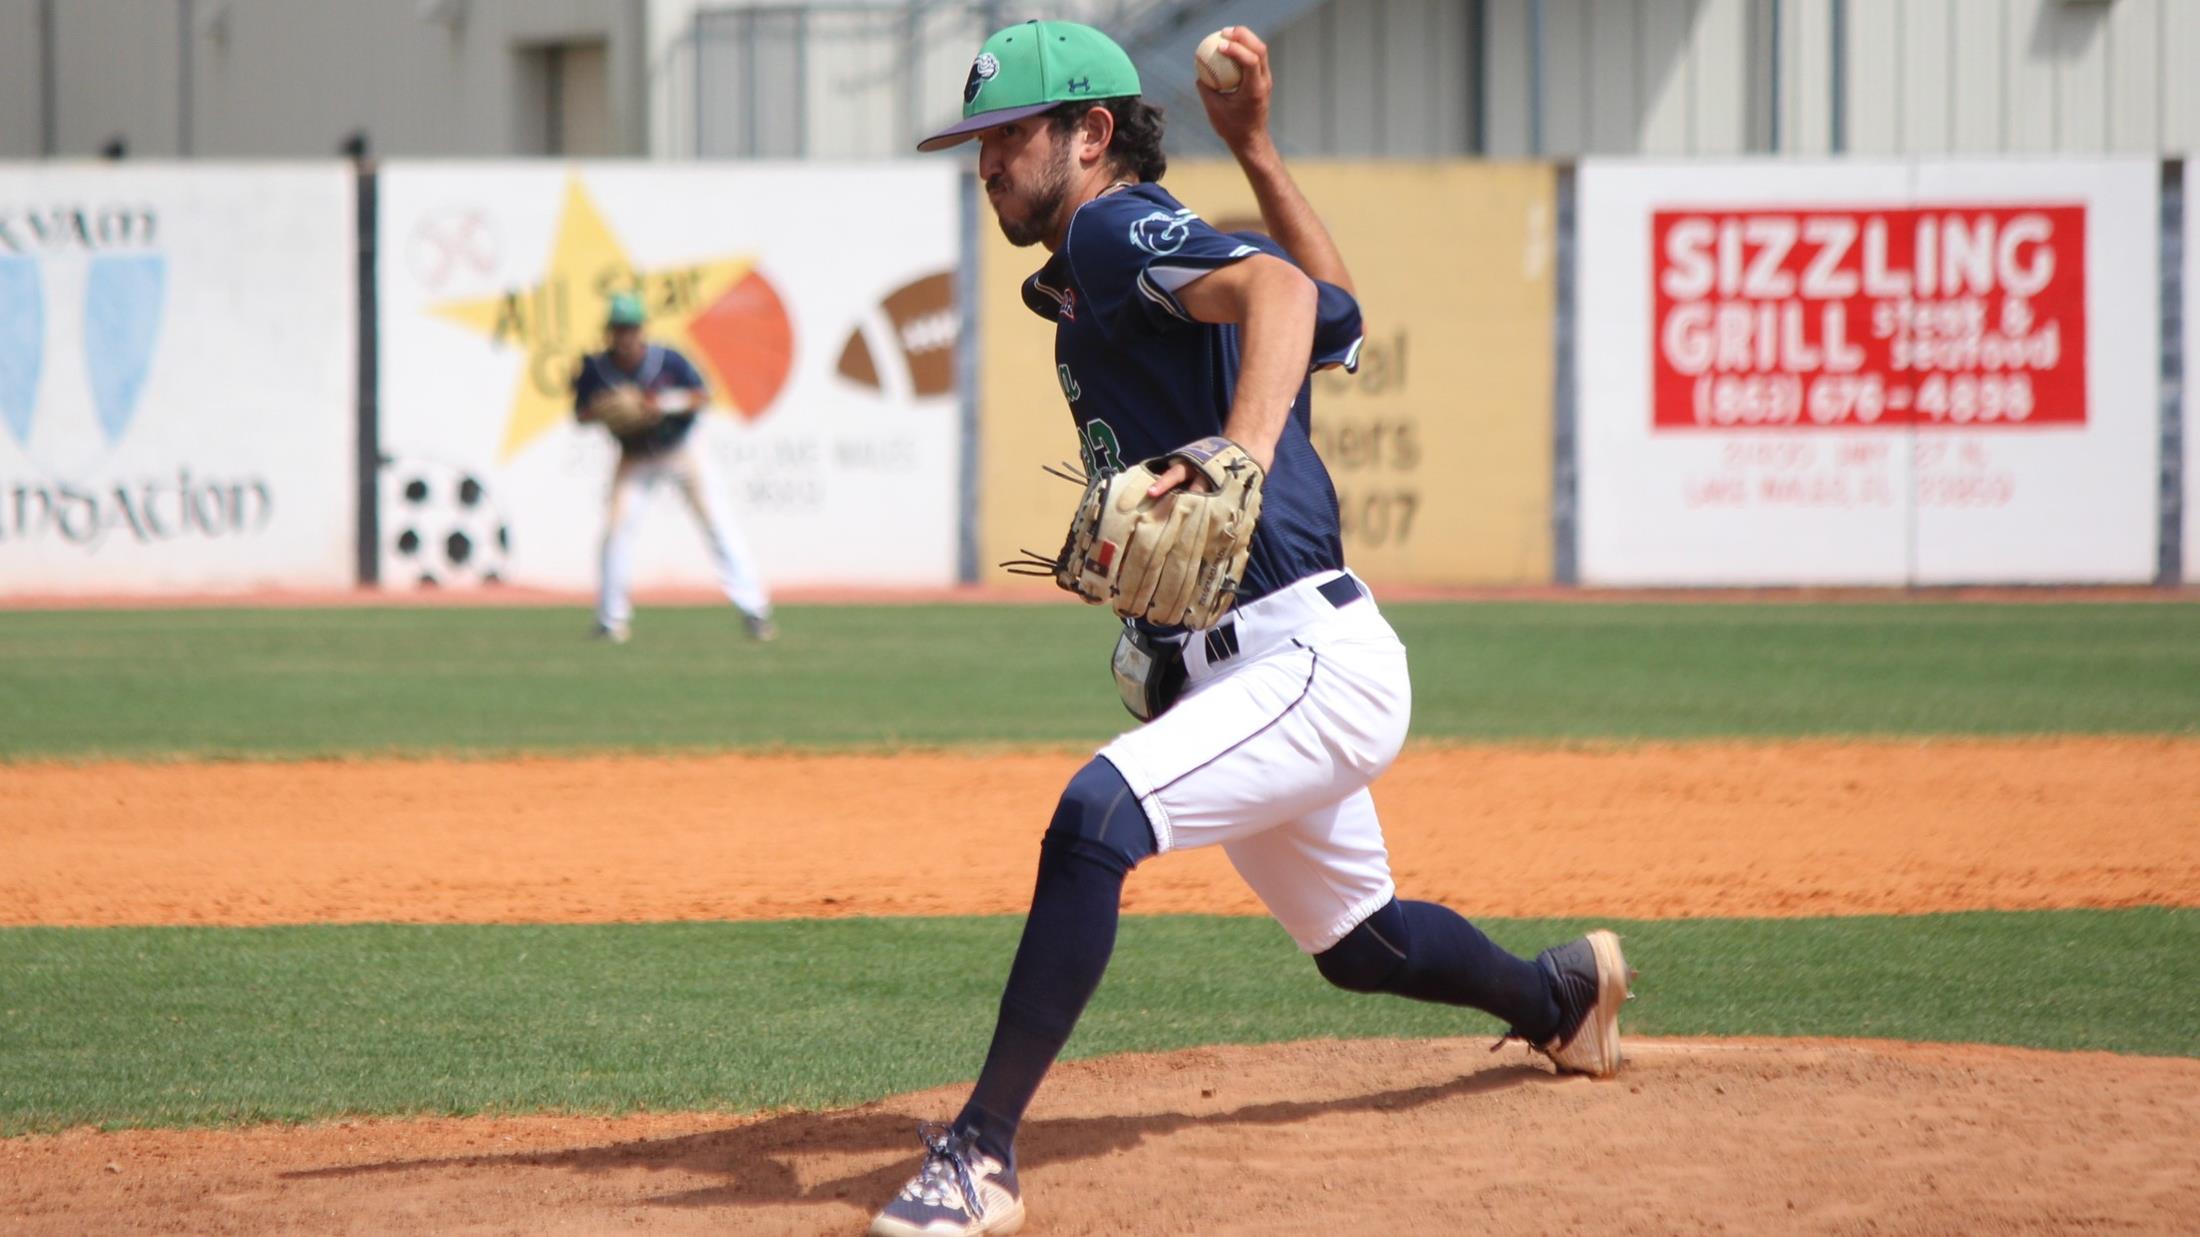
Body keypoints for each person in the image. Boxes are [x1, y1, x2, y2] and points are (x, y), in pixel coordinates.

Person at [867, 21, 1634, 1237]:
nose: (987, 164)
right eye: (979, 142)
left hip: (1306, 654)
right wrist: (1261, 150)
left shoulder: (1115, 229)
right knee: (1360, 940)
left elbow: (1284, 292)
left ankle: (980, 1154)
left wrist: (1243, 448)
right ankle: (1562, 997)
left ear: (1091, 133)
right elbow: (1338, 313)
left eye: (1009, 136)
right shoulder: (1108, 263)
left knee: (1094, 820)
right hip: (1246, 662)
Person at [572, 293, 775, 643]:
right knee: (615, 532)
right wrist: (605, 409)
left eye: (631, 328)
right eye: (619, 328)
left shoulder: (666, 360)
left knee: (717, 522)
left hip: (682, 449)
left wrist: (661, 404)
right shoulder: (595, 368)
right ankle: (610, 619)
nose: (625, 335)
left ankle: (754, 609)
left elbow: (702, 395)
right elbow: (581, 414)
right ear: (609, 331)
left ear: (642, 329)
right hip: (635, 455)